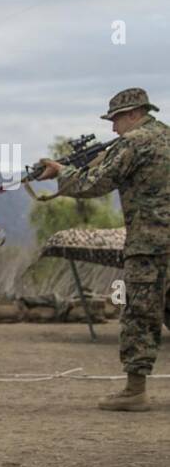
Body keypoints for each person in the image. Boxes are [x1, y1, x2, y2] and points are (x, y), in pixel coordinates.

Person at [37, 87, 170, 411]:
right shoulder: (166, 137)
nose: (113, 128)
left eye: (116, 120)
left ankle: (134, 391)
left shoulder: (134, 142)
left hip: (151, 244)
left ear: (133, 114)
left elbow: (93, 183)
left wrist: (61, 172)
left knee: (141, 315)